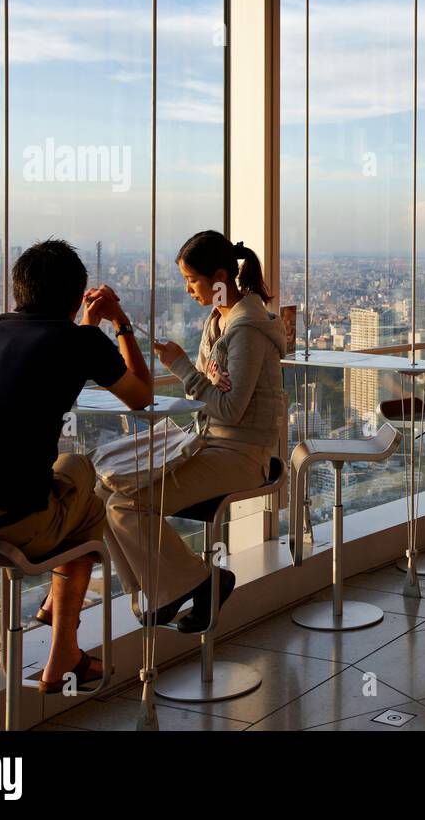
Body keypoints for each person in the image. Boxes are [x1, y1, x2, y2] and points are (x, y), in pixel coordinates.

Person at [0, 239, 153, 693]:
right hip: (12, 524)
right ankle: (63, 653)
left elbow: (58, 352)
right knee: (88, 495)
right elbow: (141, 396)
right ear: (76, 296)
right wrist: (120, 323)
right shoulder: (82, 342)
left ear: (18, 291)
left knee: (69, 471)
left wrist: (87, 329)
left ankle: (57, 608)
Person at [101, 232, 286, 632]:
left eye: (192, 280)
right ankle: (165, 589)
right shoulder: (218, 321)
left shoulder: (248, 330)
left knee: (123, 504)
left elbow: (231, 411)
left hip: (242, 454)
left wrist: (183, 368)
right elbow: (214, 397)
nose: (187, 290)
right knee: (104, 491)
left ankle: (202, 584)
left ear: (219, 276)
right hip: (209, 442)